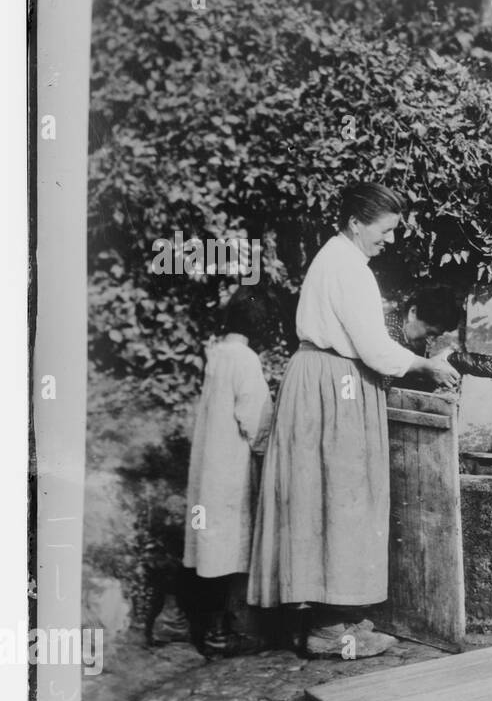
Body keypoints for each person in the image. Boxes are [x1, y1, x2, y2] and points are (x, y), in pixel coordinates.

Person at [248, 182, 460, 658]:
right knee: (340, 495)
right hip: (334, 383)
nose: (389, 241)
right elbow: (372, 345)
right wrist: (427, 365)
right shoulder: (346, 266)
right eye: (384, 231)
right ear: (355, 224)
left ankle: (336, 612)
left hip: (324, 378)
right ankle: (328, 627)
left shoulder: (340, 260)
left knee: (328, 494)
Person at [182, 288, 276, 656]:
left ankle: (193, 621)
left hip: (208, 459)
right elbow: (255, 416)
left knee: (209, 539)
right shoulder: (246, 359)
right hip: (231, 464)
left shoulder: (216, 353)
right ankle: (219, 629)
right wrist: (266, 448)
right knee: (226, 542)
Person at [384, 284, 467, 391]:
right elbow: (383, 381)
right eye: (429, 333)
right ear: (413, 312)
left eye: (435, 337)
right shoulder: (389, 330)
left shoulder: (410, 339)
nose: (429, 341)